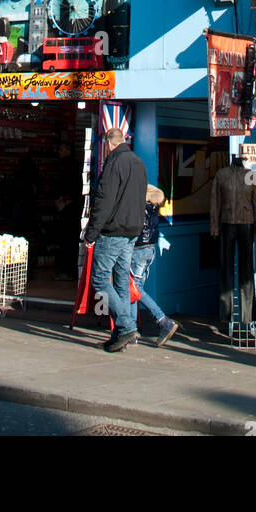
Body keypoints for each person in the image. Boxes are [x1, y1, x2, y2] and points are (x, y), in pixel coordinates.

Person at [83, 127, 148, 353]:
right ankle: (120, 335)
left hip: (113, 231)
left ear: (108, 144)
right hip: (132, 231)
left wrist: (90, 234)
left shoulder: (113, 163)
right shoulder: (138, 163)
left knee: (100, 279)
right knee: (121, 281)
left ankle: (126, 326)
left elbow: (103, 201)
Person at [130, 183, 178, 348]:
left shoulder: (139, 205)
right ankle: (131, 331)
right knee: (133, 289)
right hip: (149, 249)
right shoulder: (153, 206)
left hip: (137, 249)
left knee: (135, 290)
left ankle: (163, 321)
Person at [51, 140, 83, 280]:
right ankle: (71, 270)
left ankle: (68, 271)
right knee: (70, 240)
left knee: (67, 240)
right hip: (72, 206)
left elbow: (69, 186)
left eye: (62, 150)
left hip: (69, 207)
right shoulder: (72, 165)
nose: (59, 152)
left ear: (68, 151)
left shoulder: (68, 166)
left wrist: (64, 200)